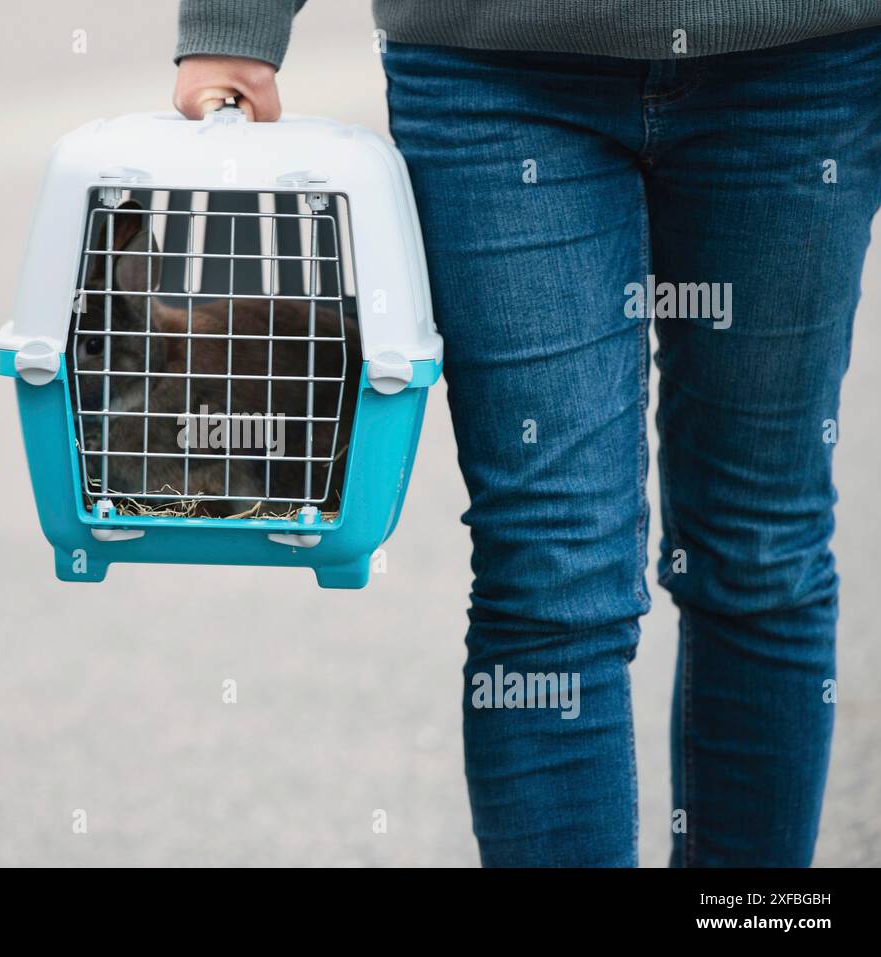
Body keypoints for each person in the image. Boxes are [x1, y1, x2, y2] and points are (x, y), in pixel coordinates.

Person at [172, 0, 881, 867]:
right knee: (551, 565)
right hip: (493, 61)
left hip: (803, 55)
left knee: (761, 548)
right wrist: (231, 21)